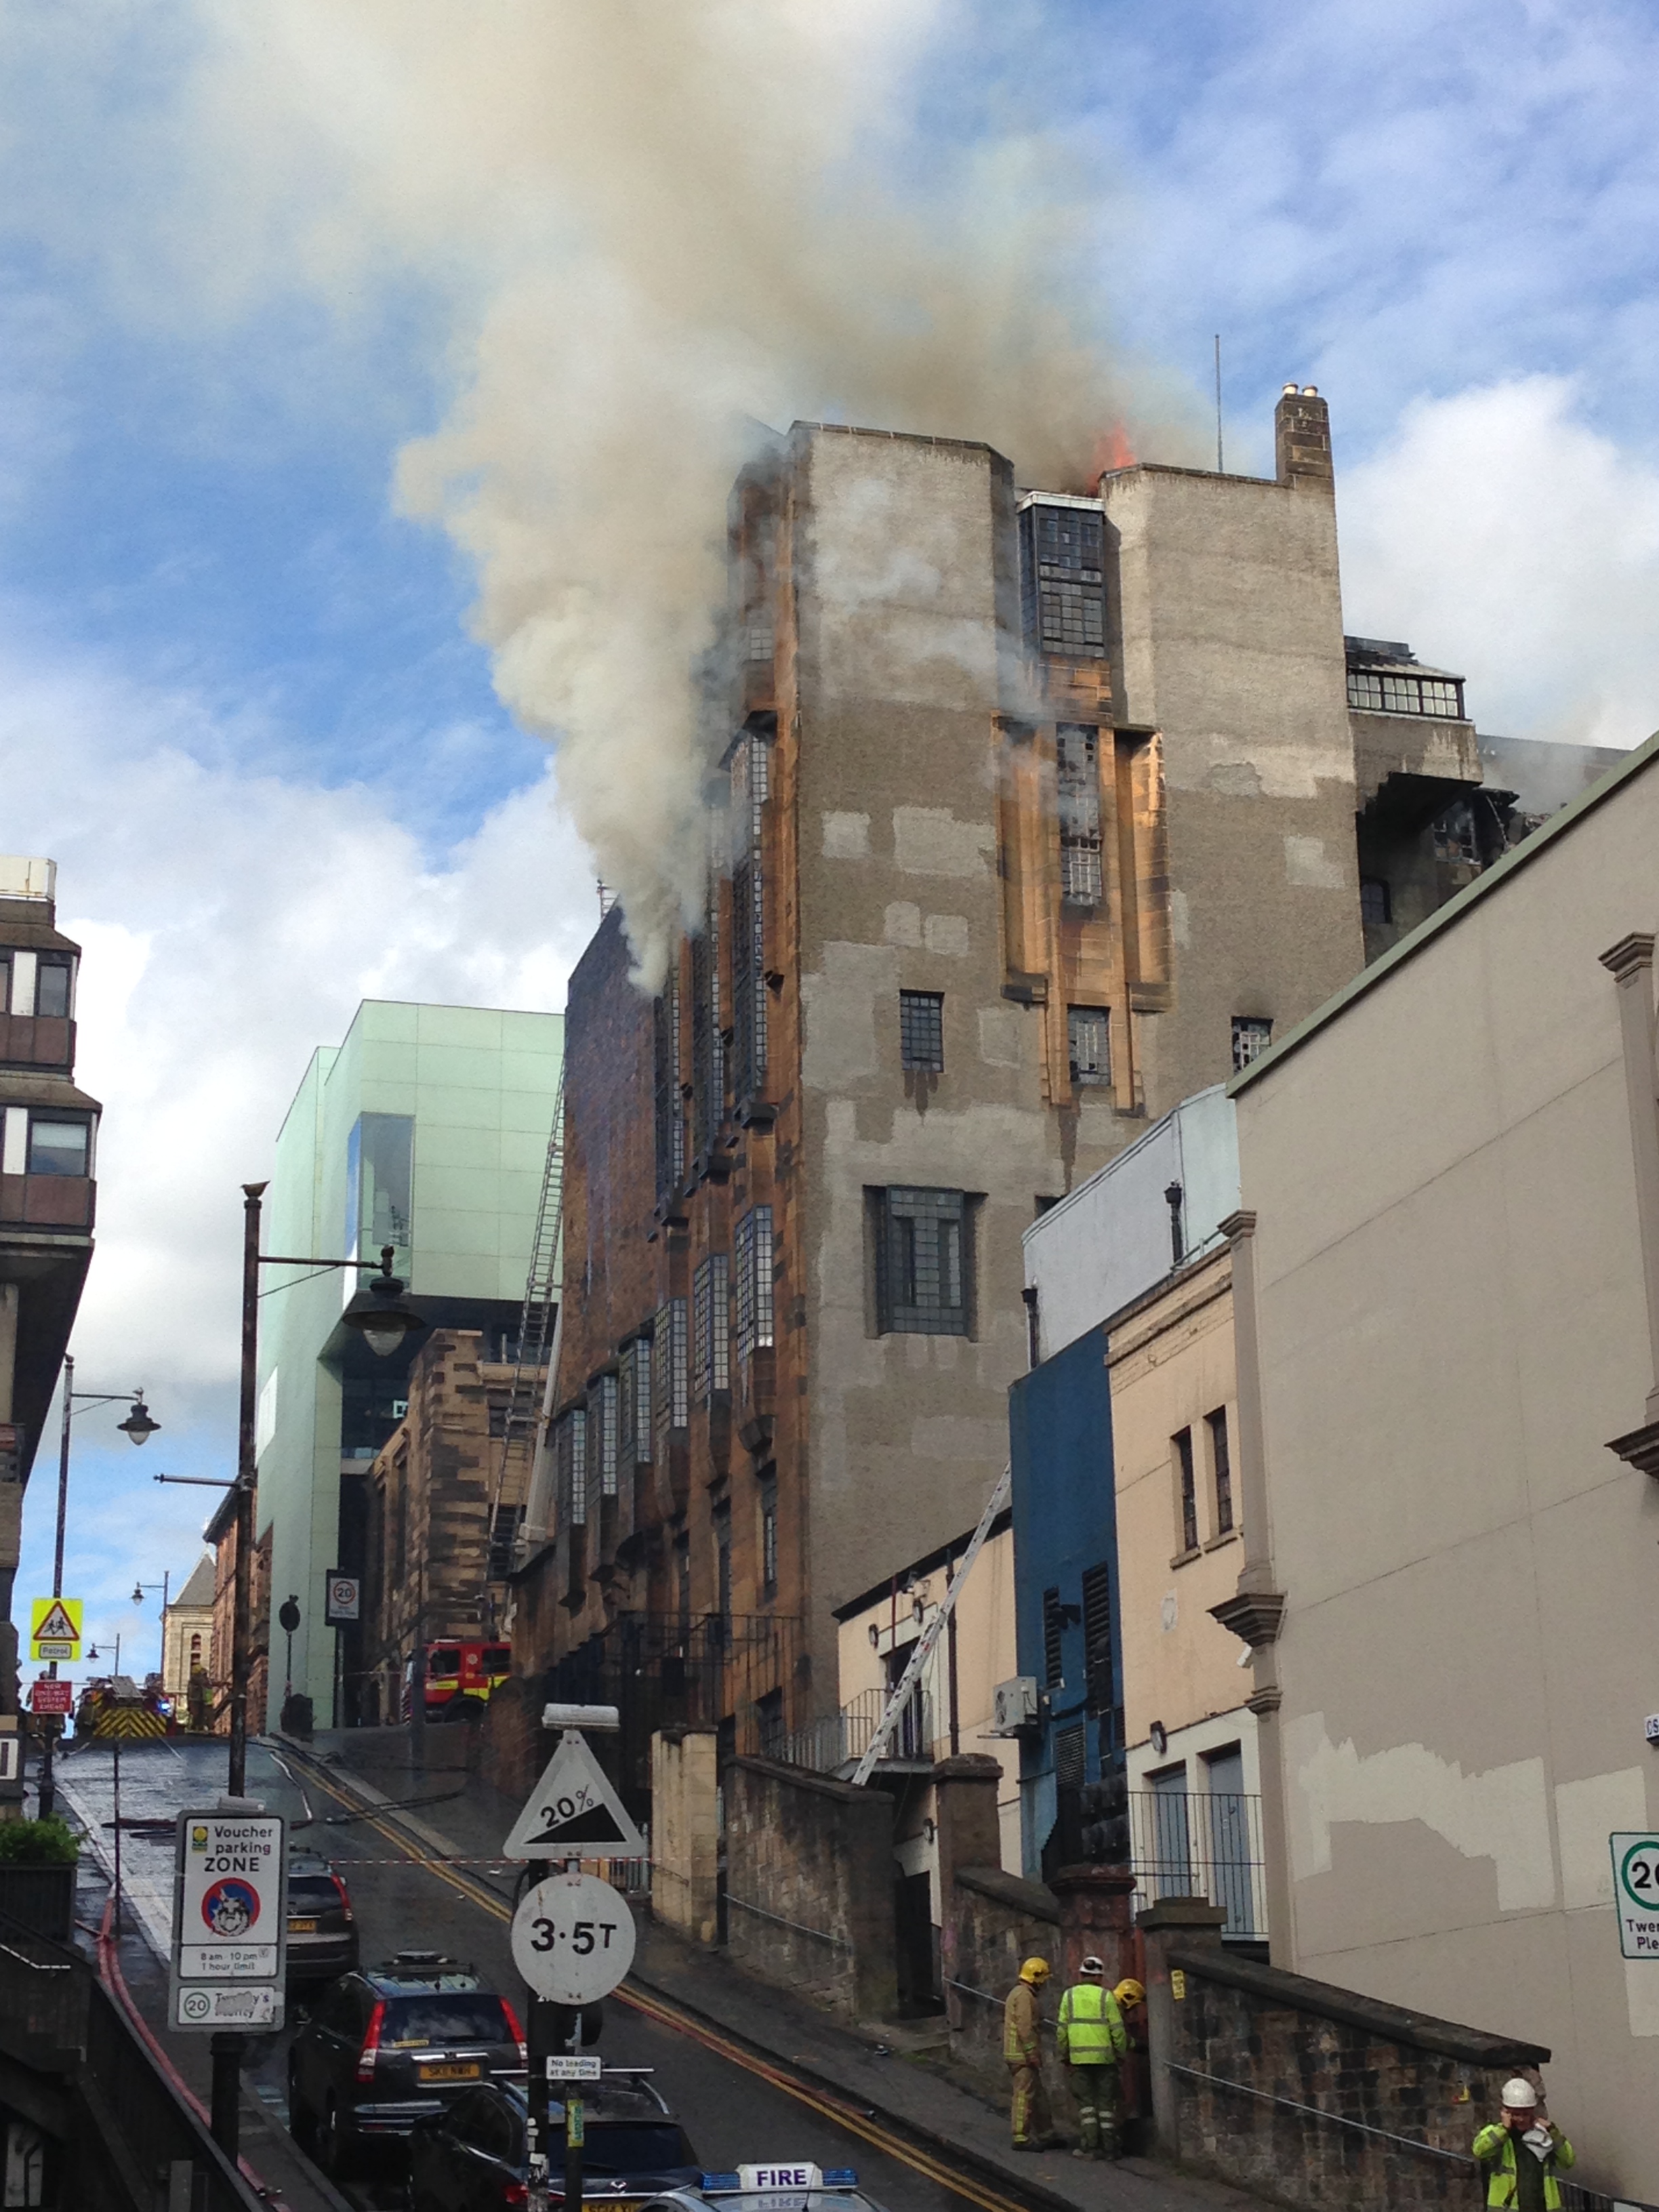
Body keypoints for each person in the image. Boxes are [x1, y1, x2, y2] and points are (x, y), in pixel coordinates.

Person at [1056, 1960, 1143, 2161]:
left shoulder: (1068, 1996)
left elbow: (1061, 2031)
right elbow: (1118, 2032)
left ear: (1081, 1974)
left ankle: (1090, 2148)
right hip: (1105, 2061)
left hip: (1078, 2060)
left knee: (1087, 2107)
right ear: (1099, 1977)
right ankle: (1111, 2149)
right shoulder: (1107, 1996)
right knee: (1106, 2107)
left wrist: (1065, 2056)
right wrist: (1120, 2055)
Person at [1473, 2078, 1575, 2209]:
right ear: (1506, 2113)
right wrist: (1503, 2130)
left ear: (1532, 2112)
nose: (1521, 2119)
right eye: (1516, 2114)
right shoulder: (1498, 2134)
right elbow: (1479, 2151)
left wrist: (1553, 2132)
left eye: (1525, 2114)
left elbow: (1568, 2161)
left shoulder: (1543, 2136)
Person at [1004, 1957, 1055, 2150]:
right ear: (1036, 1977)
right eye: (1043, 1979)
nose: (1044, 1984)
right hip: (1022, 2056)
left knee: (1038, 2094)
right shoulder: (1025, 1996)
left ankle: (1046, 2133)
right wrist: (1032, 2053)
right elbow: (1025, 2028)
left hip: (1019, 2053)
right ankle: (1020, 2136)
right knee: (1024, 2095)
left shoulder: (1018, 1993)